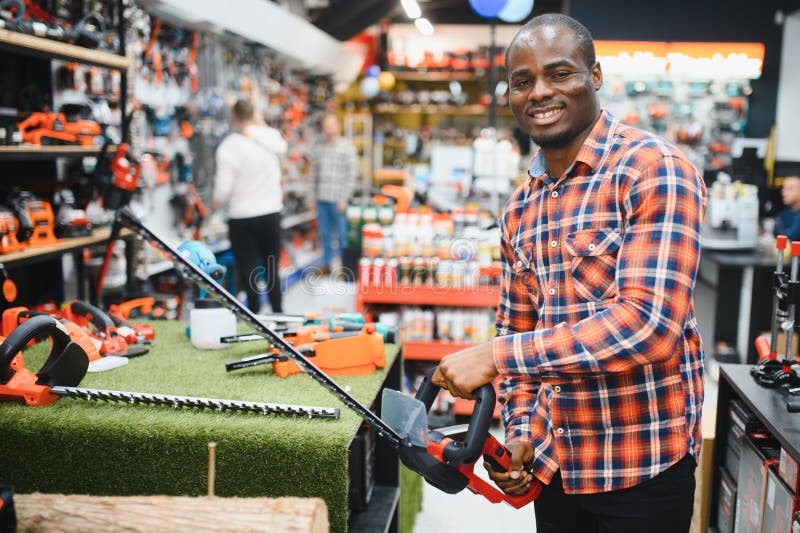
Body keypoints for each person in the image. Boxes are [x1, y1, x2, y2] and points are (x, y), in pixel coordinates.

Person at [432, 14, 707, 533]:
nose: (539, 92)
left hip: (641, 469)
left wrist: (494, 358)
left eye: (559, 74)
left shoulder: (655, 170)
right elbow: (519, 328)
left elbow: (646, 326)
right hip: (558, 467)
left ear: (595, 75)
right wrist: (520, 437)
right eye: (522, 81)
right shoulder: (520, 208)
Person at [213, 99, 286, 313]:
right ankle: (279, 315)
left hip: (241, 216)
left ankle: (253, 316)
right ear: (255, 114)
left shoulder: (229, 146)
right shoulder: (271, 137)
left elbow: (223, 189)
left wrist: (213, 208)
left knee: (248, 269)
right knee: (272, 268)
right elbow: (282, 147)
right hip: (271, 213)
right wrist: (260, 123)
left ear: (233, 117)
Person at [311, 114, 358, 273]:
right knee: (324, 234)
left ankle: (345, 267)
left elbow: (351, 175)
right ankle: (327, 265)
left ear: (338, 126)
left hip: (338, 200)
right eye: (326, 125)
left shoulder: (347, 147)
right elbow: (313, 174)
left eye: (332, 125)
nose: (329, 129)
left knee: (342, 236)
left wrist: (345, 198)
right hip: (322, 198)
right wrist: (311, 196)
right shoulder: (319, 148)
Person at [775, 175, 800, 240]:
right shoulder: (783, 214)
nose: (784, 192)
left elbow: (791, 236)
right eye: (783, 188)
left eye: (790, 188)